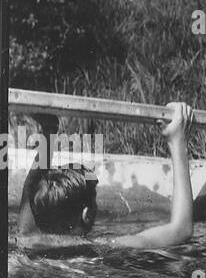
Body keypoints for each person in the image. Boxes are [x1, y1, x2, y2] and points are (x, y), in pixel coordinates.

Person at [16, 102, 196, 250]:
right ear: (86, 215)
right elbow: (181, 230)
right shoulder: (100, 249)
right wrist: (178, 142)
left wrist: (49, 132)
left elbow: (29, 191)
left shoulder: (26, 238)